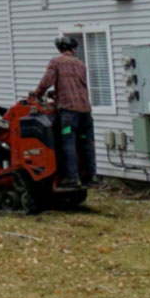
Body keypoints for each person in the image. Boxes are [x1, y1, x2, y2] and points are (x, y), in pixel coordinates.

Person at [34, 34, 96, 189]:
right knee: (86, 143)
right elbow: (77, 86)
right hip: (85, 110)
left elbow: (46, 82)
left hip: (69, 111)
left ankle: (71, 178)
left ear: (59, 48)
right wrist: (56, 94)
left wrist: (37, 95)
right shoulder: (80, 64)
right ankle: (90, 176)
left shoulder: (56, 62)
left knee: (68, 142)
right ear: (73, 48)